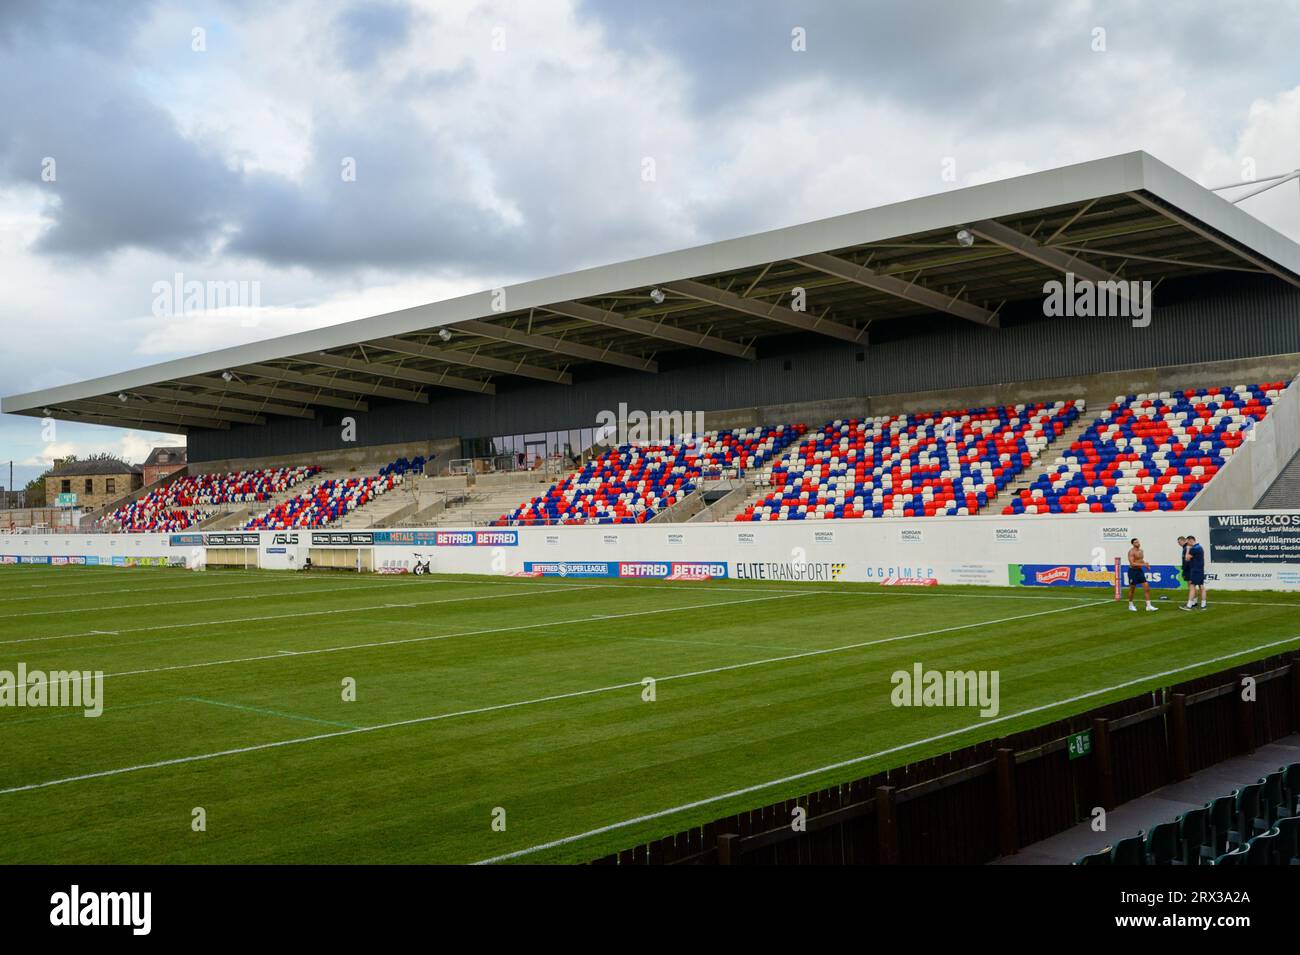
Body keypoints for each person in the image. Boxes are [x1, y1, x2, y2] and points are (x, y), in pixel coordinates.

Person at [1126, 538, 1158, 612]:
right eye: (1135, 542)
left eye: (1138, 541)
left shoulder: (1141, 551)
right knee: (1132, 589)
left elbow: (1141, 560)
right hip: (1132, 571)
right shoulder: (1131, 552)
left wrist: (1146, 565)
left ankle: (1148, 606)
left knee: (1146, 587)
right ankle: (1130, 605)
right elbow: (1132, 563)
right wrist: (1143, 564)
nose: (1137, 543)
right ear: (1133, 544)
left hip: (1140, 571)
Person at [1181, 535, 1207, 610]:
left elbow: (1187, 558)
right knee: (1201, 587)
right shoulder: (1200, 547)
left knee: (1192, 587)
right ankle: (1203, 605)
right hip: (1200, 569)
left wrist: (1188, 549)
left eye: (1187, 542)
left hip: (1195, 570)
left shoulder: (1194, 548)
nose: (1187, 544)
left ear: (1190, 540)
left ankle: (1189, 605)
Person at [1176, 535, 1191, 603]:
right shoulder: (1185, 548)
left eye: (1179, 542)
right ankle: (1194, 601)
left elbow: (1187, 560)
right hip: (1189, 569)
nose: (1179, 544)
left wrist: (1184, 569)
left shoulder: (1186, 548)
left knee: (1190, 586)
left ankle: (1192, 601)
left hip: (1188, 569)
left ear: (1183, 540)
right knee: (1191, 586)